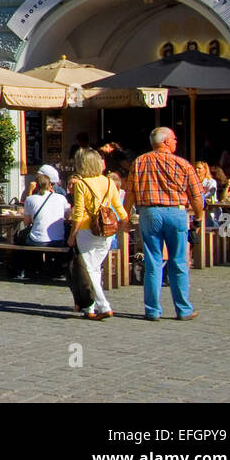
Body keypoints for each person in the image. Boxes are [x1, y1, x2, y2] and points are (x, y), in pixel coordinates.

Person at [126, 127, 204, 320]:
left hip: (149, 212)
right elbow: (196, 196)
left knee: (153, 261)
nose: (176, 142)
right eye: (175, 139)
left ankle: (152, 310)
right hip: (175, 212)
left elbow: (130, 193)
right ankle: (183, 309)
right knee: (178, 261)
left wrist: (125, 216)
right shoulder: (182, 164)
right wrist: (199, 216)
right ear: (167, 141)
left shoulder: (139, 162)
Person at [67, 147, 128, 320]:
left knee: (88, 269)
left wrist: (72, 234)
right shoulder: (108, 181)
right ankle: (90, 308)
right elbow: (118, 206)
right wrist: (125, 221)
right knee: (95, 269)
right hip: (107, 229)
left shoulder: (81, 184)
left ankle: (103, 305)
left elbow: (78, 213)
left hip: (87, 229)